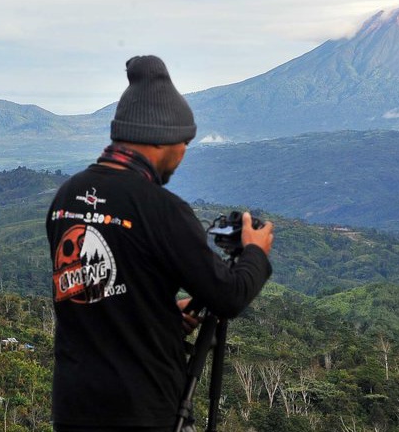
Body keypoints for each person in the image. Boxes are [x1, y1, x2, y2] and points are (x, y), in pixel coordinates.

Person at [46, 55, 273, 431]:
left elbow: (93, 289)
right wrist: (255, 252)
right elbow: (229, 296)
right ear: (165, 139)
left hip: (73, 407)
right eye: (185, 143)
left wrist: (161, 314)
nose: (183, 155)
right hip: (140, 410)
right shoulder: (161, 209)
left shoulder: (66, 197)